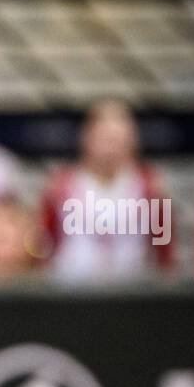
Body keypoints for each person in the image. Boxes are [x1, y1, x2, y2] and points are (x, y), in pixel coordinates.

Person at [40, 99, 174, 283]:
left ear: (132, 141)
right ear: (87, 138)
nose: (111, 148)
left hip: (133, 286)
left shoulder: (151, 187)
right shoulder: (61, 186)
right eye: (105, 139)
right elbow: (45, 241)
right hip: (71, 286)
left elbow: (163, 244)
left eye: (118, 140)